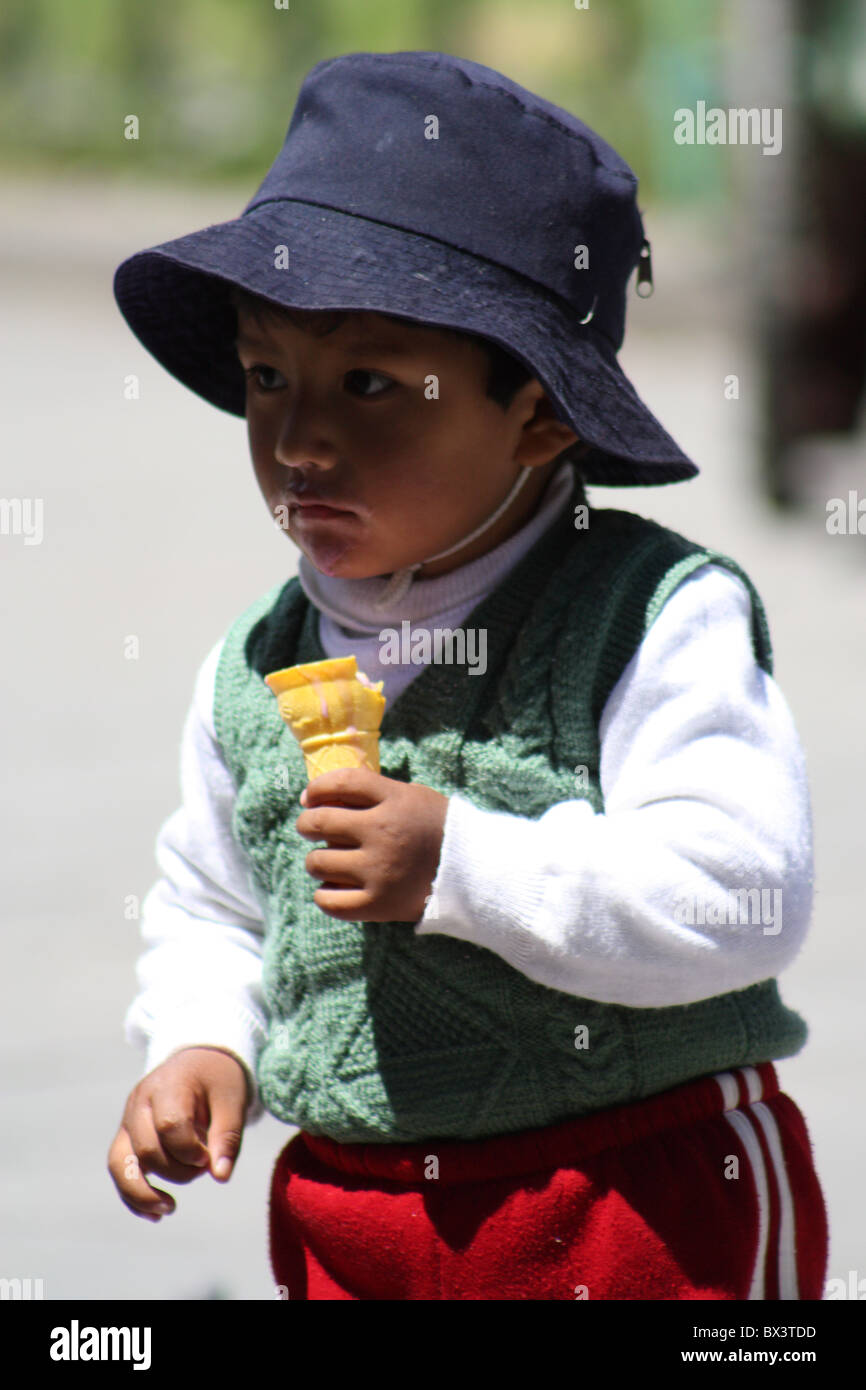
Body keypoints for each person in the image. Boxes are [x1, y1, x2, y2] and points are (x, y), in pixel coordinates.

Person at [107, 50, 828, 1300]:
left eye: (370, 383)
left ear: (538, 414)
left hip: (632, 1200)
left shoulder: (645, 617)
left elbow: (742, 893)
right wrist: (200, 1039)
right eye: (268, 375)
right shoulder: (256, 666)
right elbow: (213, 903)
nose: (300, 437)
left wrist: (460, 863)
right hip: (355, 1216)